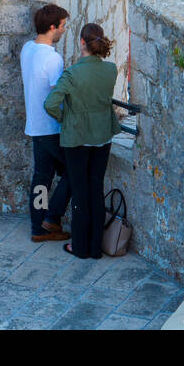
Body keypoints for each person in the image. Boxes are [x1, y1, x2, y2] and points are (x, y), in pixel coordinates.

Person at [44, 23, 120, 260]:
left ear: (82, 43)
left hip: (76, 139)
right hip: (102, 137)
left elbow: (50, 104)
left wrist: (66, 119)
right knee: (96, 189)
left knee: (79, 191)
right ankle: (95, 247)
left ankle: (80, 247)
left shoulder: (72, 74)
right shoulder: (111, 70)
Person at [20, 4, 72, 244]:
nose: (64, 31)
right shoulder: (53, 59)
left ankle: (37, 227)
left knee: (41, 178)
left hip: (35, 125)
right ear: (52, 27)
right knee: (74, 171)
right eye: (62, 26)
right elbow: (57, 94)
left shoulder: (27, 49)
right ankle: (52, 217)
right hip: (51, 127)